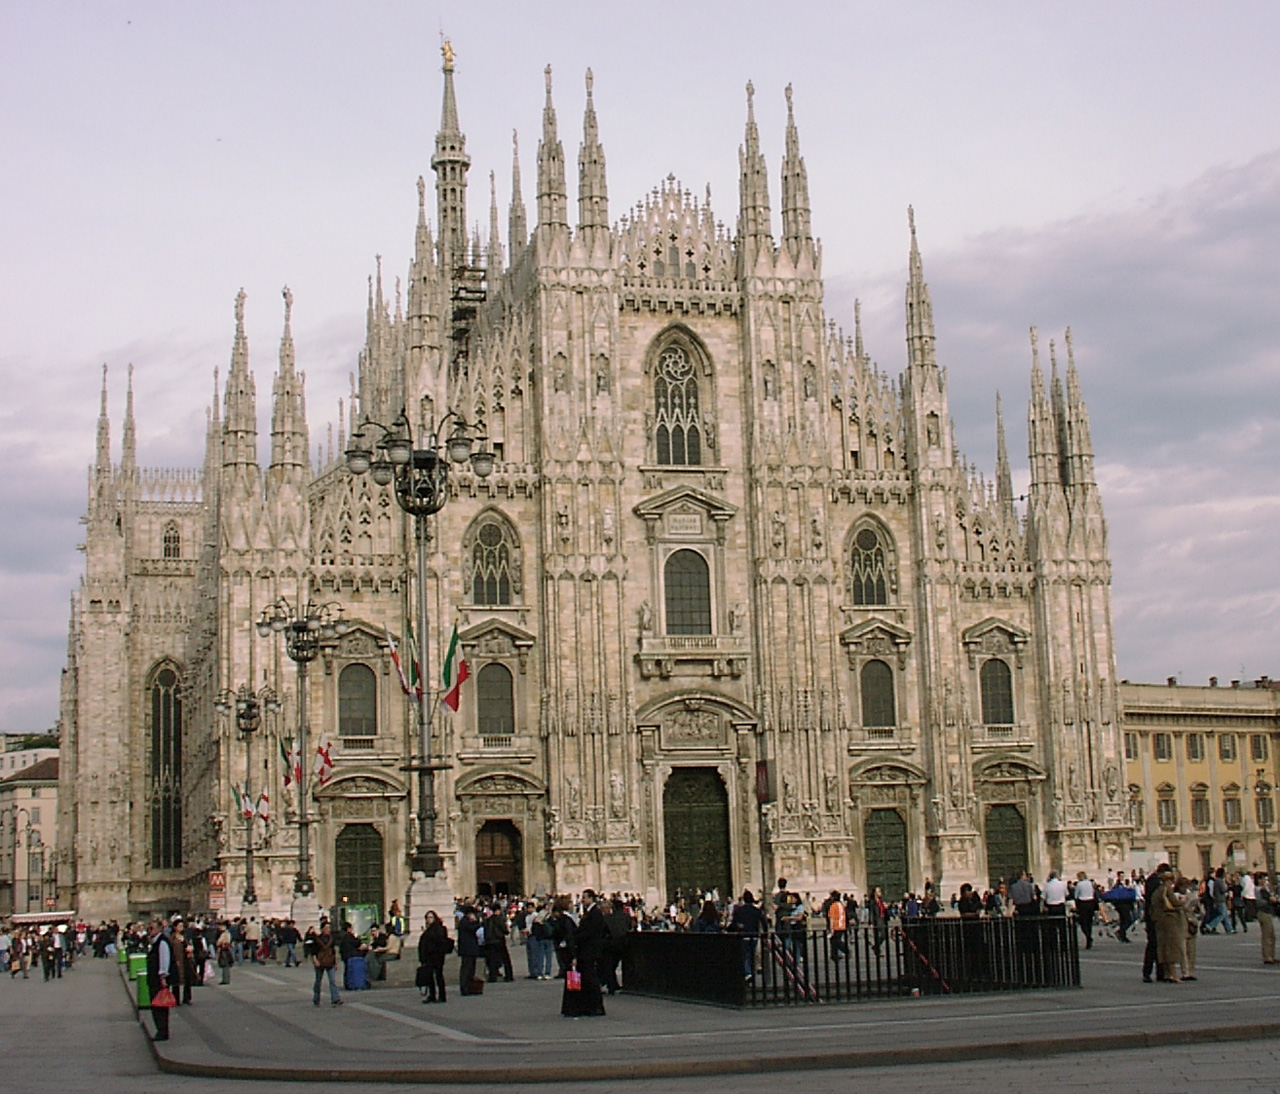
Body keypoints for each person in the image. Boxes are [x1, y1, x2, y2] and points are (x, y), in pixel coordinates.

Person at [562, 889, 606, 1017]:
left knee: (590, 978)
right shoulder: (590, 912)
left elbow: (590, 932)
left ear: (591, 898)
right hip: (586, 950)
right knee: (587, 978)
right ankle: (588, 1005)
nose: (582, 900)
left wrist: (576, 936)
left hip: (589, 950)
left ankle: (595, 1006)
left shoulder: (595, 913)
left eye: (584, 897)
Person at [1151, 870, 1184, 983]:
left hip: (1159, 921)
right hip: (1169, 920)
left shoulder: (1157, 891)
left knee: (1163, 946)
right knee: (1172, 946)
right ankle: (1173, 974)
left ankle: (1166, 973)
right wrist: (1183, 902)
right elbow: (1174, 902)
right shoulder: (1167, 889)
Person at [1143, 863, 1173, 982]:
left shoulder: (1153, 881)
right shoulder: (1155, 883)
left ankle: (1159, 972)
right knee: (1154, 945)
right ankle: (1150, 972)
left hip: (1154, 917)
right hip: (1154, 917)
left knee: (1157, 945)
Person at [145, 918, 173, 1042]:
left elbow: (164, 961)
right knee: (156, 1006)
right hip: (153, 979)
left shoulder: (162, 943)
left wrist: (163, 977)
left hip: (159, 980)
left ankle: (162, 1031)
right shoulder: (154, 942)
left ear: (159, 929)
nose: (149, 931)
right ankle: (160, 1029)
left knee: (160, 1006)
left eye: (151, 928)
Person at [729, 890, 767, 979]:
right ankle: (751, 972)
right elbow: (764, 922)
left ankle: (748, 972)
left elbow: (734, 924)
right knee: (752, 955)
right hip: (754, 935)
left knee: (745, 955)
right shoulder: (757, 910)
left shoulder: (739, 910)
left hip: (744, 935)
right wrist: (765, 934)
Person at [417, 911, 451, 1003]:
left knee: (438, 975)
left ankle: (442, 995)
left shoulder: (439, 928)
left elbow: (439, 939)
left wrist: (426, 934)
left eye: (431, 917)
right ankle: (432, 995)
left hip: (436, 956)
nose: (429, 919)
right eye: (427, 917)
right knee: (430, 977)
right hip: (428, 957)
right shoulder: (429, 929)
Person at [312, 918, 342, 1006]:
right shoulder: (317, 939)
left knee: (333, 981)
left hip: (330, 961)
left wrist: (335, 962)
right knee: (318, 981)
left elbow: (333, 951)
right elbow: (313, 951)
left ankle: (335, 998)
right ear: (322, 929)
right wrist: (315, 960)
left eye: (329, 928)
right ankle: (316, 999)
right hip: (320, 962)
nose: (328, 930)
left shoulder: (331, 939)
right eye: (326, 928)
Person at [456, 905, 482, 994]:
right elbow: (473, 928)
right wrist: (477, 922)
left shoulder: (465, 921)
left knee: (470, 969)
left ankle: (469, 987)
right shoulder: (465, 922)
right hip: (468, 949)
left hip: (469, 949)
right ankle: (465, 988)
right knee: (467, 969)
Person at [1256, 872, 1277, 965]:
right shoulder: (1261, 890)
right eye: (1263, 879)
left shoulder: (1261, 889)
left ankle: (1271, 955)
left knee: (1270, 935)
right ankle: (1268, 957)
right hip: (1264, 913)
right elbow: (1270, 899)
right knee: (1267, 936)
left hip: (1264, 912)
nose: (1265, 881)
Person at [1073, 872, 1098, 949]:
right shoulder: (1090, 883)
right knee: (1089, 922)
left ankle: (1088, 936)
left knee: (1083, 922)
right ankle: (1089, 937)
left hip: (1082, 903)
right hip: (1090, 902)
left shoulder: (1079, 884)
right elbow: (1093, 893)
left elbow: (1076, 895)